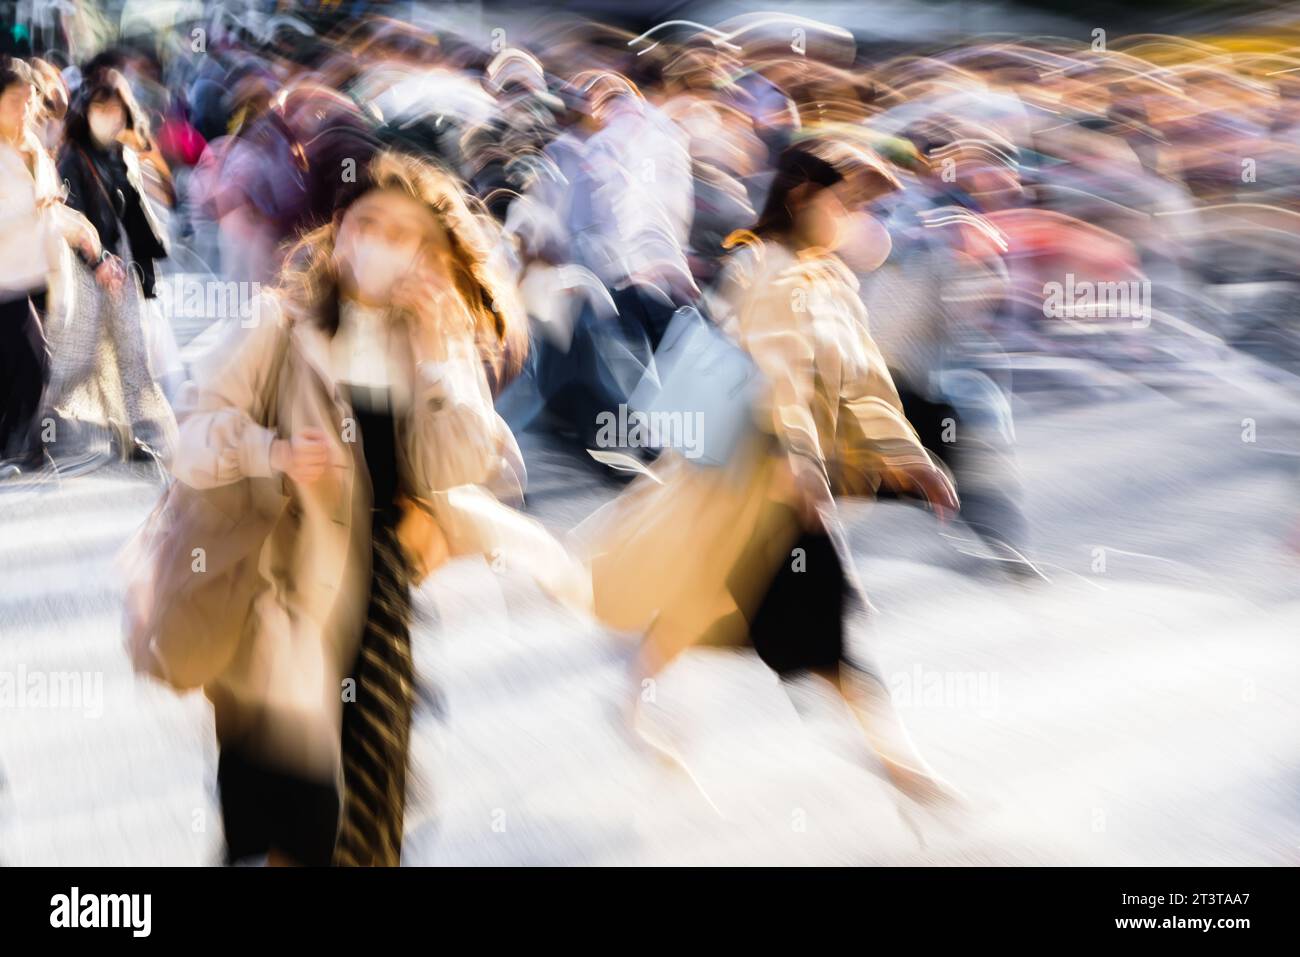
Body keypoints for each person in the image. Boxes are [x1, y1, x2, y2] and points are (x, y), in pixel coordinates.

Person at [168, 150, 529, 866]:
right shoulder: (280, 325)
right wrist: (271, 451)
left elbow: (464, 462)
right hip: (273, 601)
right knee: (288, 823)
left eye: (404, 233)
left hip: (378, 605)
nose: (382, 244)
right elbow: (191, 438)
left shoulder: (433, 346)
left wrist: (432, 358)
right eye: (368, 223)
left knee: (365, 819)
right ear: (340, 231)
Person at [576, 139, 961, 806]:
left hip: (786, 483)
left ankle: (632, 699)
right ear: (803, 199)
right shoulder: (764, 267)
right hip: (757, 478)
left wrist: (909, 456)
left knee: (719, 601)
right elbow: (776, 379)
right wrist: (803, 463)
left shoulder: (832, 278)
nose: (858, 219)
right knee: (813, 624)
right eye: (848, 202)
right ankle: (902, 766)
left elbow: (865, 383)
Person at [48, 67, 176, 465]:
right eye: (100, 106)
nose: (108, 114)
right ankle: (33, 425)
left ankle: (130, 437)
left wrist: (145, 273)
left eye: (115, 107)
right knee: (80, 357)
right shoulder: (72, 157)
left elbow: (136, 218)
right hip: (87, 271)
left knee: (130, 353)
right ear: (86, 109)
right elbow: (73, 217)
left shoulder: (121, 155)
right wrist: (99, 260)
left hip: (120, 269)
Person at [0, 54, 104, 476]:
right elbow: (29, 208)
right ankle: (20, 451)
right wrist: (32, 206)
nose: (23, 109)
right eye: (13, 100)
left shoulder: (33, 149)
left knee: (17, 368)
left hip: (36, 275)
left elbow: (51, 208)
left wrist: (83, 234)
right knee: (33, 362)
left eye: (28, 100)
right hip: (4, 281)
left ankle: (23, 450)